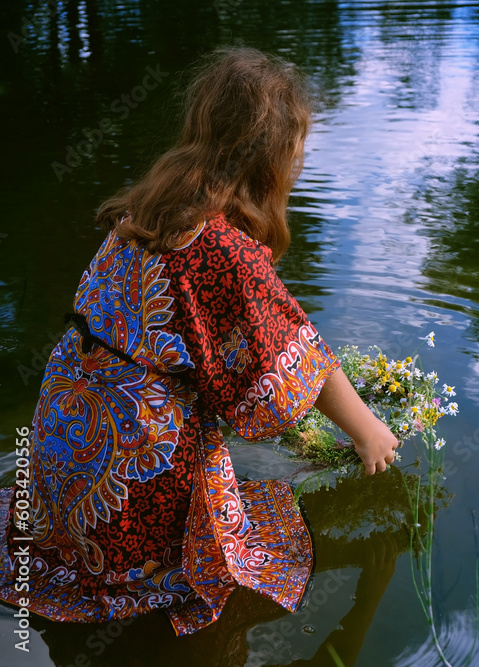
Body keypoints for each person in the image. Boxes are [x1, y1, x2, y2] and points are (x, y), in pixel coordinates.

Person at [0, 47, 398, 635]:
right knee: (232, 557)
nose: (301, 160)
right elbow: (288, 357)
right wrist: (368, 431)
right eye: (298, 146)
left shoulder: (150, 204)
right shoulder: (224, 250)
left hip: (64, 435)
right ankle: (141, 566)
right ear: (273, 156)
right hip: (128, 469)